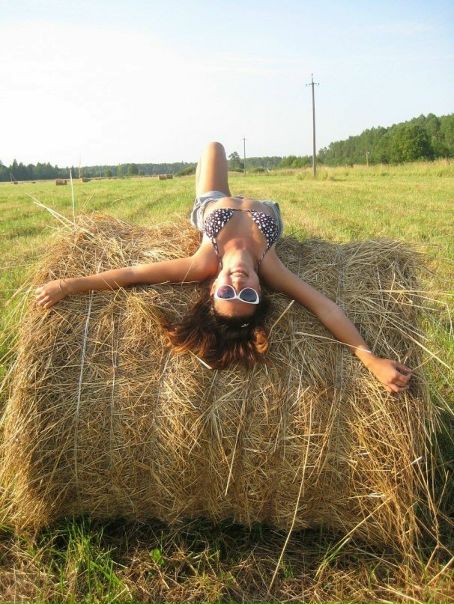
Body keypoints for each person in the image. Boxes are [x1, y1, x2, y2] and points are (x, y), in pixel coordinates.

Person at [35, 142, 412, 393]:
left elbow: (133, 275)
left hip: (213, 204)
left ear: (213, 287)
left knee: (213, 147)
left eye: (227, 292)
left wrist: (69, 285)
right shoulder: (271, 266)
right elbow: (325, 308)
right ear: (260, 291)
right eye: (247, 294)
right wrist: (370, 359)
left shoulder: (204, 261)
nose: (238, 283)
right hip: (263, 209)